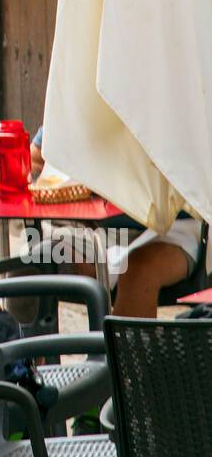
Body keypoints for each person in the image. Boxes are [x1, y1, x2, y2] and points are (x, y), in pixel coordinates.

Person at [31, 125, 202, 317]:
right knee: (31, 264)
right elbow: (36, 157)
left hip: (174, 227)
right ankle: (17, 342)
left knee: (138, 272)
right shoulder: (89, 98)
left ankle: (118, 347)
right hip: (99, 228)